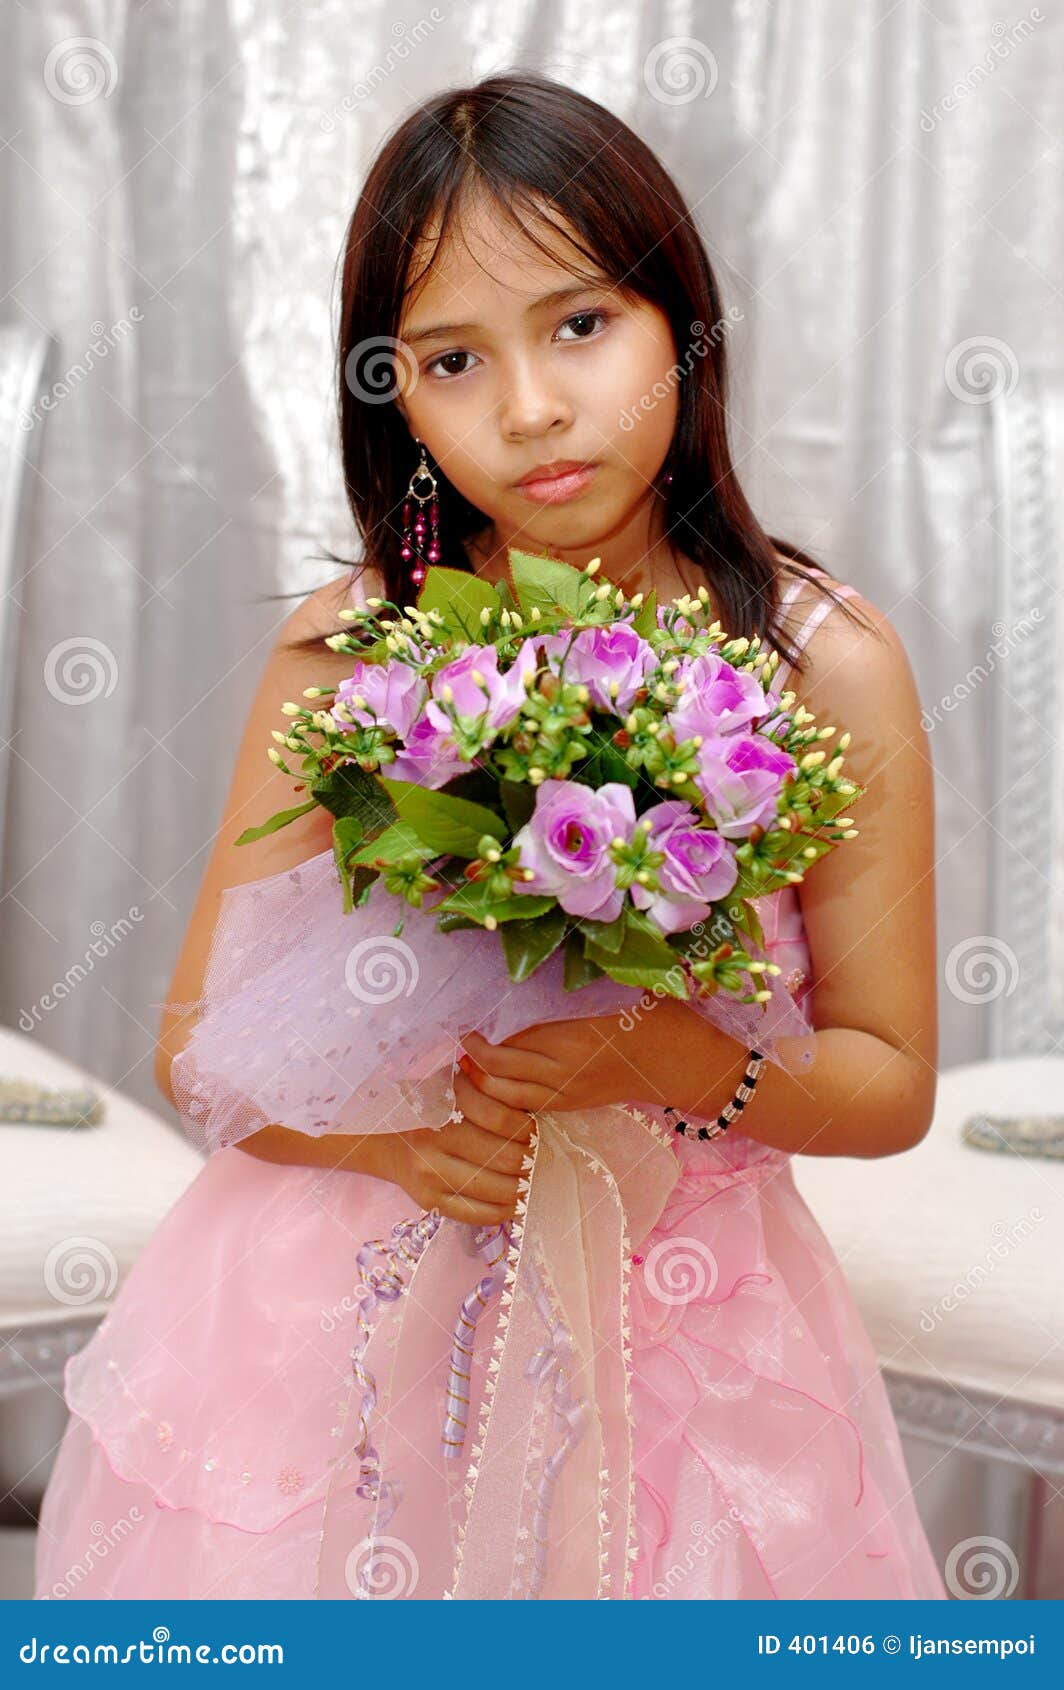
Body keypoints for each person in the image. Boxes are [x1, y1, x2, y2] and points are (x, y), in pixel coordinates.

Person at [33, 71, 946, 1600]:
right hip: (336, 1314)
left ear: (681, 322)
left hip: (686, 1327)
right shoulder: (350, 650)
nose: (529, 408)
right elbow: (194, 1044)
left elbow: (891, 1079)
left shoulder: (822, 662)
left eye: (582, 324)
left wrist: (675, 1061)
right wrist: (393, 1142)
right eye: (454, 359)